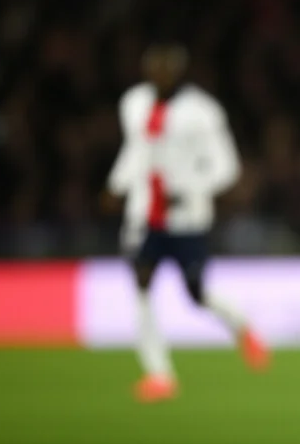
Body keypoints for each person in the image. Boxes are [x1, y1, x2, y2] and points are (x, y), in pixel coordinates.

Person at [103, 40, 270, 403]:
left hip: (187, 217)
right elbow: (135, 150)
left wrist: (191, 189)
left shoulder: (202, 112)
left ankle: (243, 329)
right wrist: (116, 185)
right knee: (142, 284)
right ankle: (159, 375)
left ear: (178, 71)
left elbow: (226, 167)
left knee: (195, 293)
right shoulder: (134, 104)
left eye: (166, 68)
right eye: (154, 67)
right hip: (144, 214)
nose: (159, 75)